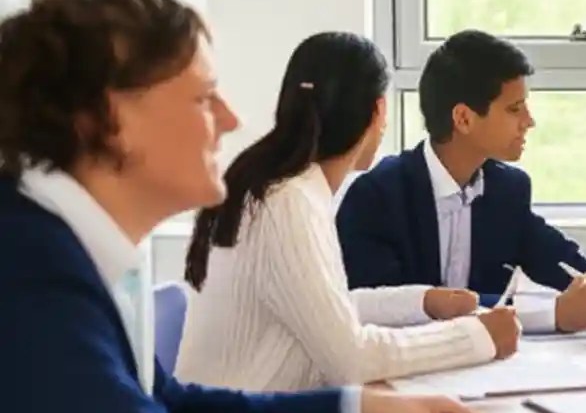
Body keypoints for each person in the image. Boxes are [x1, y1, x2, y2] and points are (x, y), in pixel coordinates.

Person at [0, 0, 565, 413]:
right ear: (108, 120)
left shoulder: (72, 252)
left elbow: (173, 408)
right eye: (203, 97)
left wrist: (364, 410)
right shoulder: (30, 276)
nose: (231, 119)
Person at [178, 32, 520, 392]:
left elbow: (325, 310)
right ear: (378, 111)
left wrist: (423, 302)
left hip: (241, 412)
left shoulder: (282, 186)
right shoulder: (289, 201)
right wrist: (475, 337)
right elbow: (352, 359)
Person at [336, 29, 586, 334]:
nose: (529, 121)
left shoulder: (507, 189)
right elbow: (388, 310)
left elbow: (556, 256)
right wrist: (551, 314)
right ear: (463, 119)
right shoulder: (376, 196)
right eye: (514, 109)